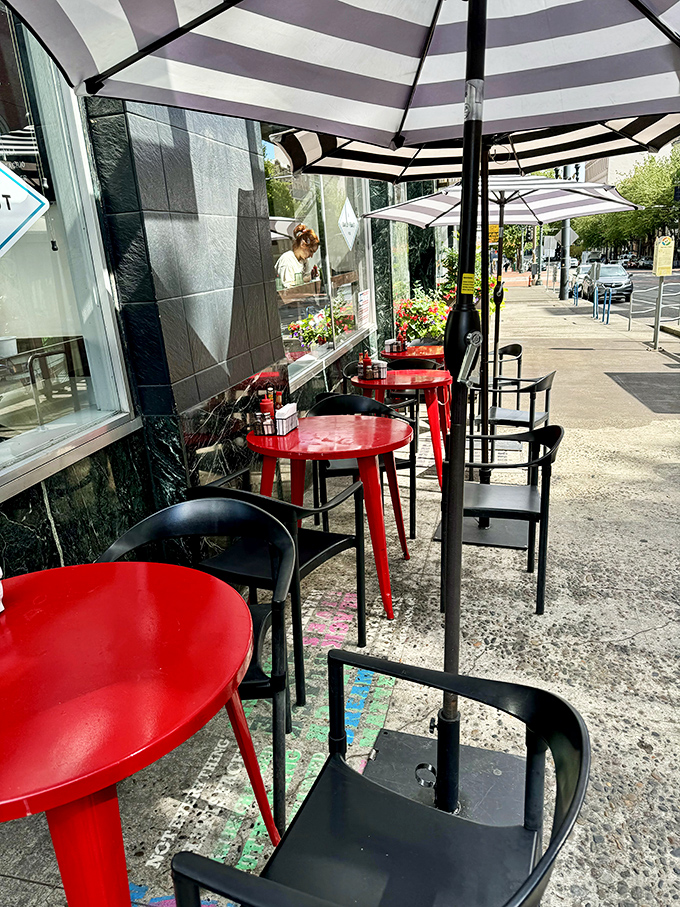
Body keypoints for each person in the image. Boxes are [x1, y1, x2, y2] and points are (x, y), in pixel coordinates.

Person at [275, 224, 320, 288]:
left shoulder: (304, 261)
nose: (311, 256)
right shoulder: (287, 260)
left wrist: (311, 277)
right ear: (302, 244)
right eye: (310, 251)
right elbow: (287, 287)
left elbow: (304, 280)